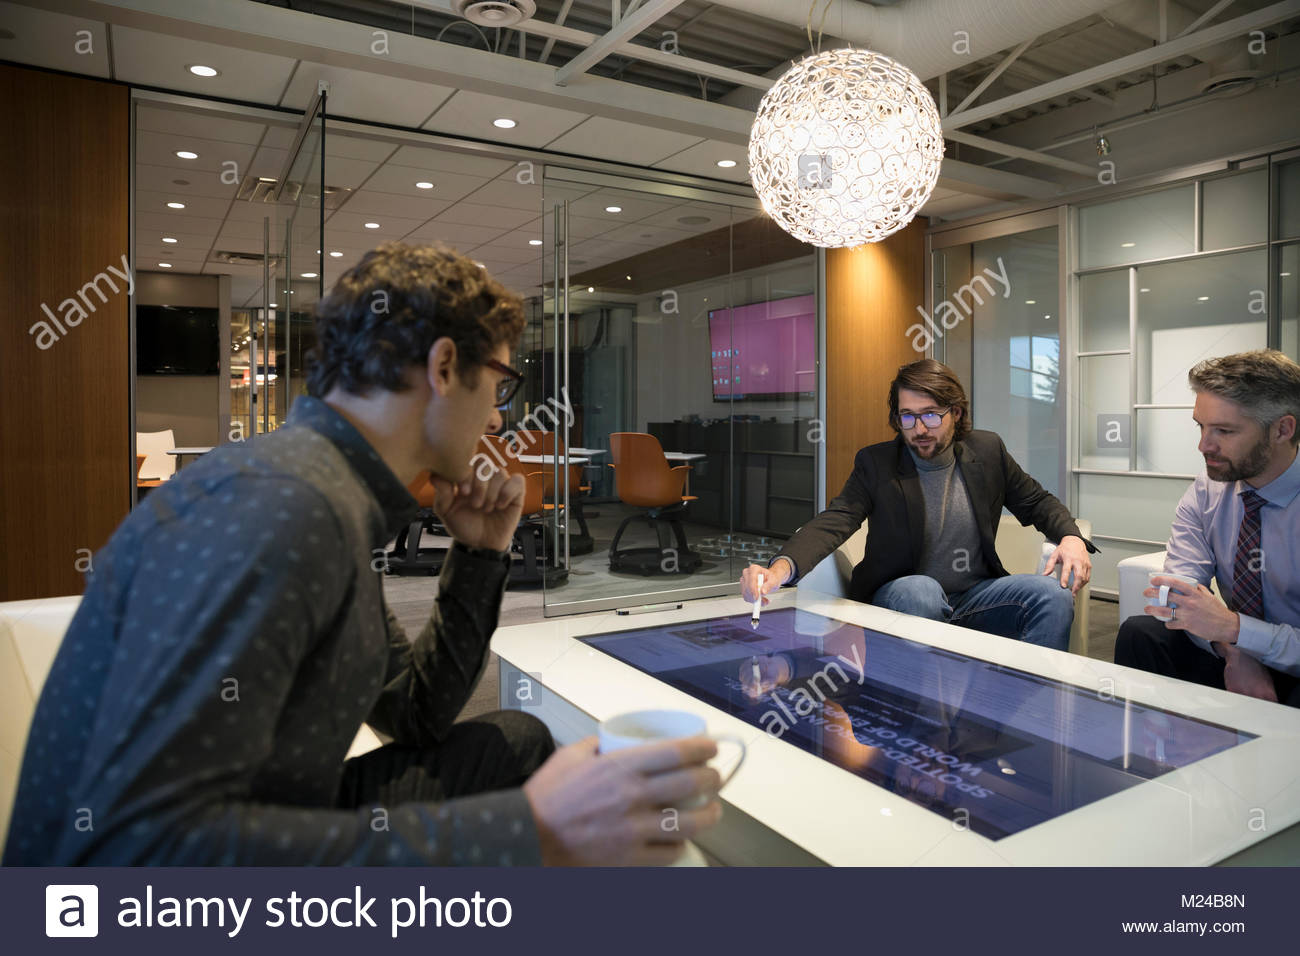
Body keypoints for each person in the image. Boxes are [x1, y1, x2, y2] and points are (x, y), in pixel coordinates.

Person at [4, 242, 721, 866]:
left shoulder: (330, 495)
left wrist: (477, 555)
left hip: (272, 803)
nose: (499, 415)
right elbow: (134, 859)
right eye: (500, 382)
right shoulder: (281, 508)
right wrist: (523, 832)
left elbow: (414, 716)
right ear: (445, 367)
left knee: (513, 742)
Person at [739, 359, 1094, 657]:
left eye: (930, 415)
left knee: (1052, 595)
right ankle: (922, 717)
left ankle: (1029, 712)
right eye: (907, 416)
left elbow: (1036, 501)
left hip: (974, 596)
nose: (919, 429)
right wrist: (778, 570)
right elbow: (837, 519)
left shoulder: (987, 451)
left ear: (955, 412)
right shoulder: (877, 463)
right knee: (920, 591)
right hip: (902, 595)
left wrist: (1071, 538)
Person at [1114, 350, 1300, 707]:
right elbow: (1175, 597)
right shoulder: (1207, 489)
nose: (1204, 445)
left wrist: (1238, 631)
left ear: (1283, 429)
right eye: (1201, 426)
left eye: (1224, 431)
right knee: (1142, 634)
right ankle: (1156, 757)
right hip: (1231, 650)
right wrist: (1235, 651)